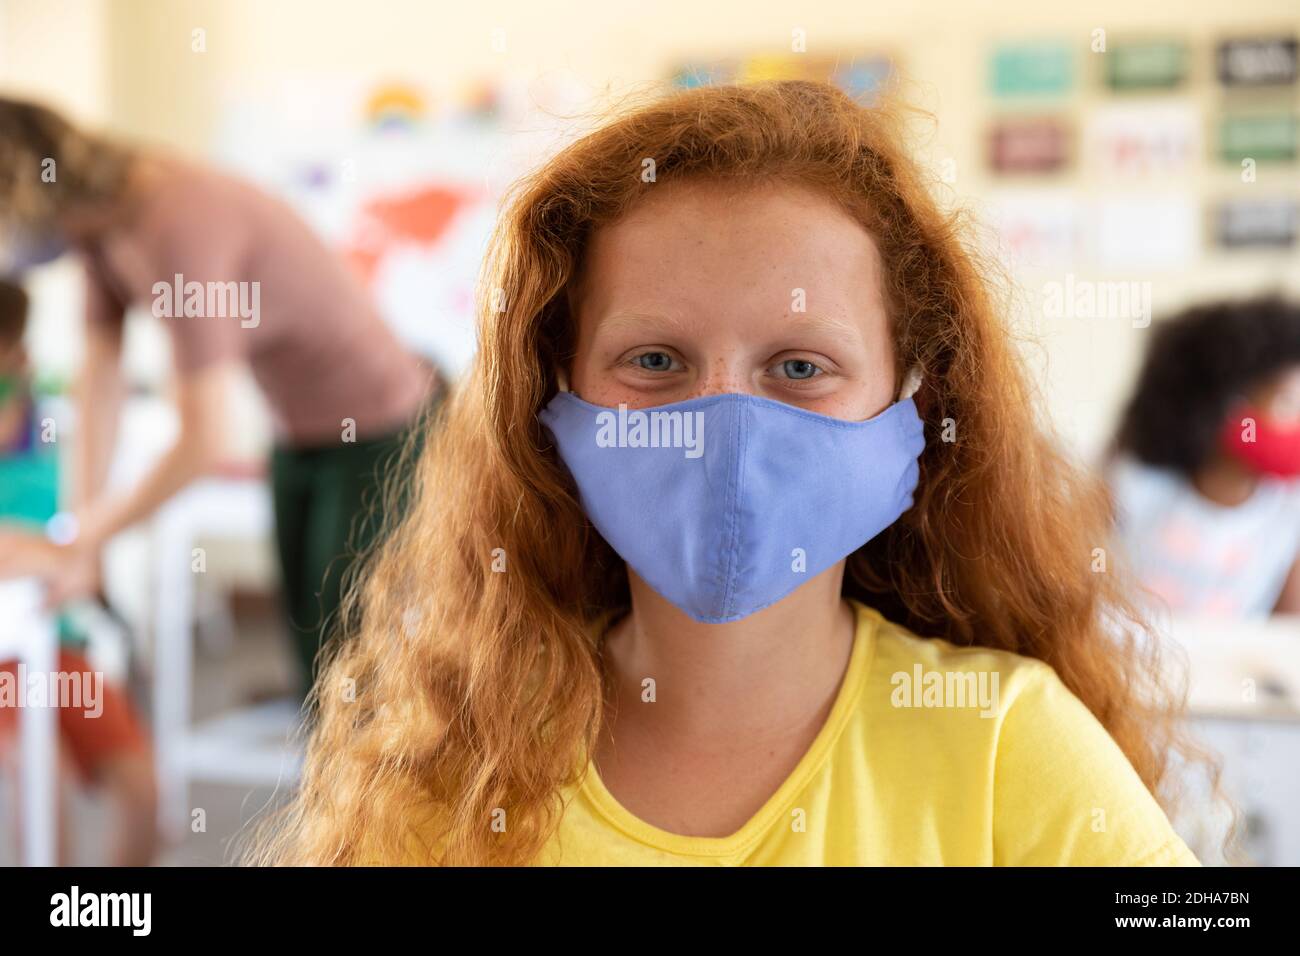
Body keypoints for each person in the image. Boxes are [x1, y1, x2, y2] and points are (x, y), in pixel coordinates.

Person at [252, 80, 1214, 866]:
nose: (724, 428)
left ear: (910, 412)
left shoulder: (1009, 743)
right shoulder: (454, 771)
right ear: (555, 407)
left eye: (800, 367)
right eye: (656, 361)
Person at [0, 98, 441, 702]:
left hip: (381, 433)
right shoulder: (99, 233)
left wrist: (81, 537)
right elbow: (98, 382)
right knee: (314, 664)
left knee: (349, 669)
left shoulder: (173, 218)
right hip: (297, 434)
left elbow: (203, 439)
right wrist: (81, 538)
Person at [0, 279, 157, 865]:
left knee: (143, 793)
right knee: (41, 775)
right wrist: (54, 551)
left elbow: (75, 537)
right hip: (8, 646)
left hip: (59, 638)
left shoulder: (50, 413)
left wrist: (57, 552)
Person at [1110, 297, 1300, 618]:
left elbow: (1286, 638)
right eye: (1286, 403)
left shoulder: (1288, 509)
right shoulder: (1134, 484)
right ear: (1226, 407)